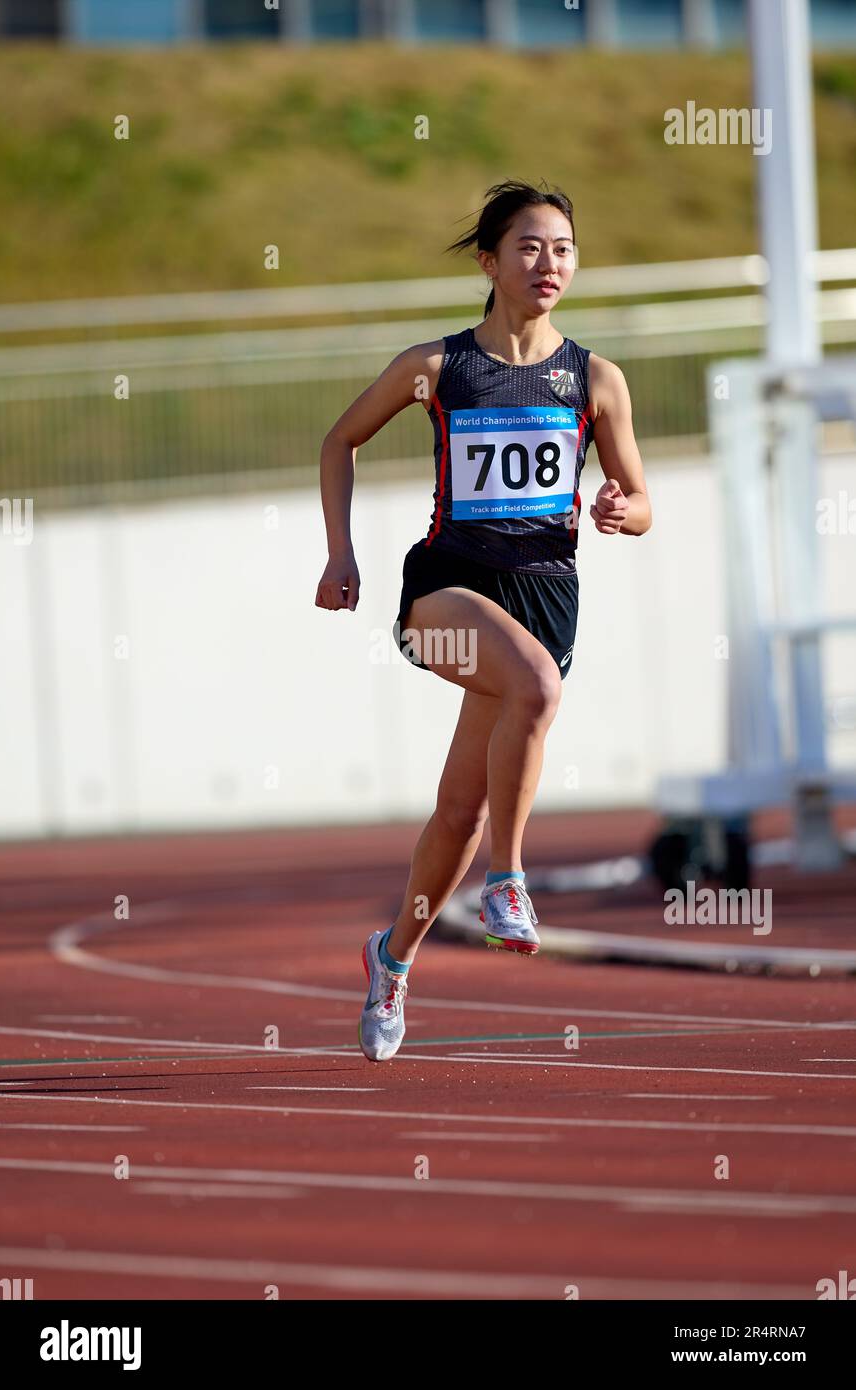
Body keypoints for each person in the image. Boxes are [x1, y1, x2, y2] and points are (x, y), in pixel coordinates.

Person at [315, 179, 651, 1063]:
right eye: (532, 247)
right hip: (448, 593)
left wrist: (622, 507)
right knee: (534, 687)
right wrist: (339, 553)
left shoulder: (595, 378)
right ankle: (509, 884)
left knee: (458, 811)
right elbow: (338, 440)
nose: (551, 264)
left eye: (565, 250)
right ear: (490, 261)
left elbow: (643, 500)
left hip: (548, 595)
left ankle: (391, 960)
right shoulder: (437, 367)